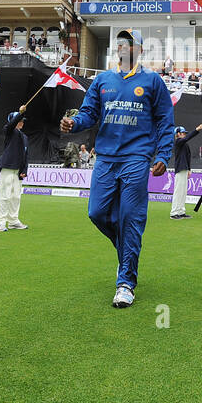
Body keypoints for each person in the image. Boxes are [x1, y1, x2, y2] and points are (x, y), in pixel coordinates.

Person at [60, 28, 173, 308]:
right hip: (106, 158)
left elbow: (165, 121)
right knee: (96, 212)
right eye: (120, 42)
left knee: (130, 218)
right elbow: (89, 113)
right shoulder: (102, 80)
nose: (123, 46)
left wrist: (163, 154)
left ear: (140, 50)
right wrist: (75, 123)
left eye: (130, 43)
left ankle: (125, 283)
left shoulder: (152, 81)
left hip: (136, 158)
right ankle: (126, 253)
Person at [0, 109, 29, 232]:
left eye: (22, 121)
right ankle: (0, 222)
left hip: (18, 170)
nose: (22, 123)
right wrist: (20, 113)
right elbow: (11, 125)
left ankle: (14, 221)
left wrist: (24, 169)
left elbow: (26, 154)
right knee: (5, 195)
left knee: (16, 196)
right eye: (20, 121)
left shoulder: (24, 137)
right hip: (8, 166)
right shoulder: (9, 131)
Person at [169, 124, 202, 219]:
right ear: (178, 134)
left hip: (184, 169)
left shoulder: (184, 144)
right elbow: (186, 139)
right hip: (180, 169)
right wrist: (196, 130)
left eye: (185, 133)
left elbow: (188, 157)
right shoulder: (178, 142)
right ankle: (174, 212)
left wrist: (189, 169)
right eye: (183, 133)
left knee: (183, 191)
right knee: (178, 191)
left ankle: (181, 211)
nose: (184, 134)